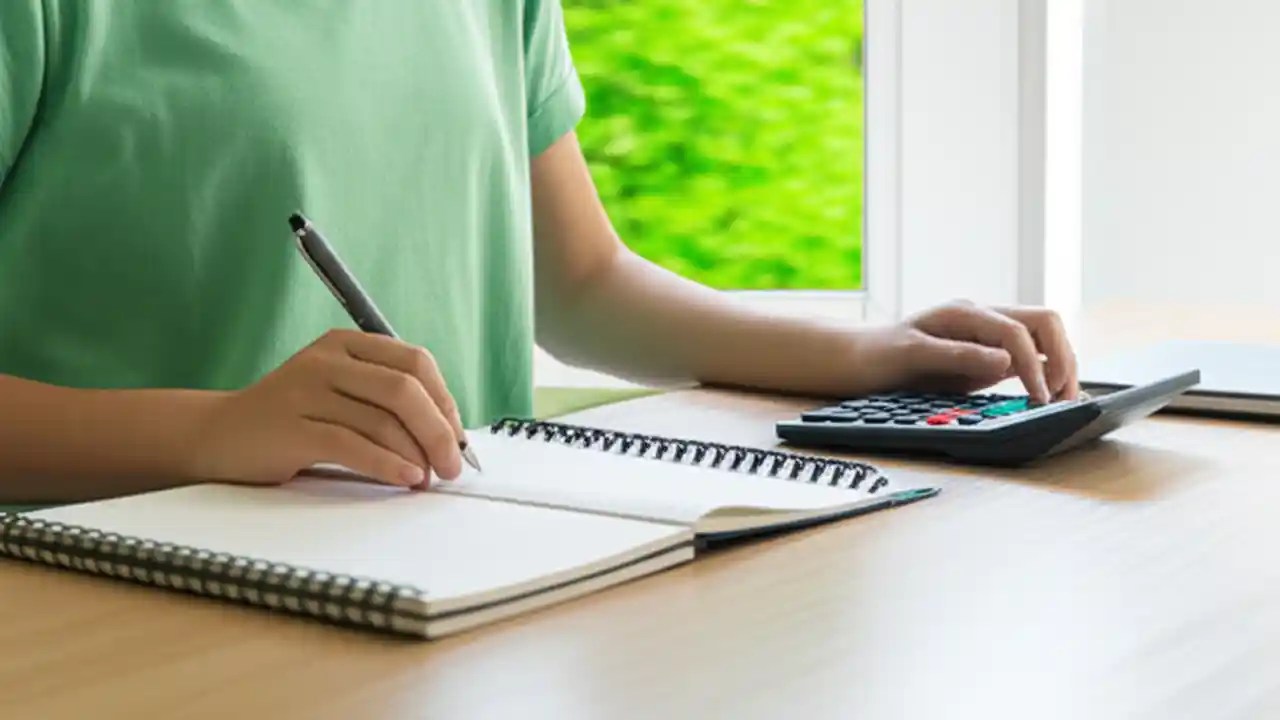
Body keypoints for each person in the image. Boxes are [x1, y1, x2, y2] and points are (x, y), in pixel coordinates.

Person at [0, 2, 1078, 503]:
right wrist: (212, 430)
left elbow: (583, 284)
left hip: (453, 577)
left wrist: (866, 352)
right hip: (127, 612)